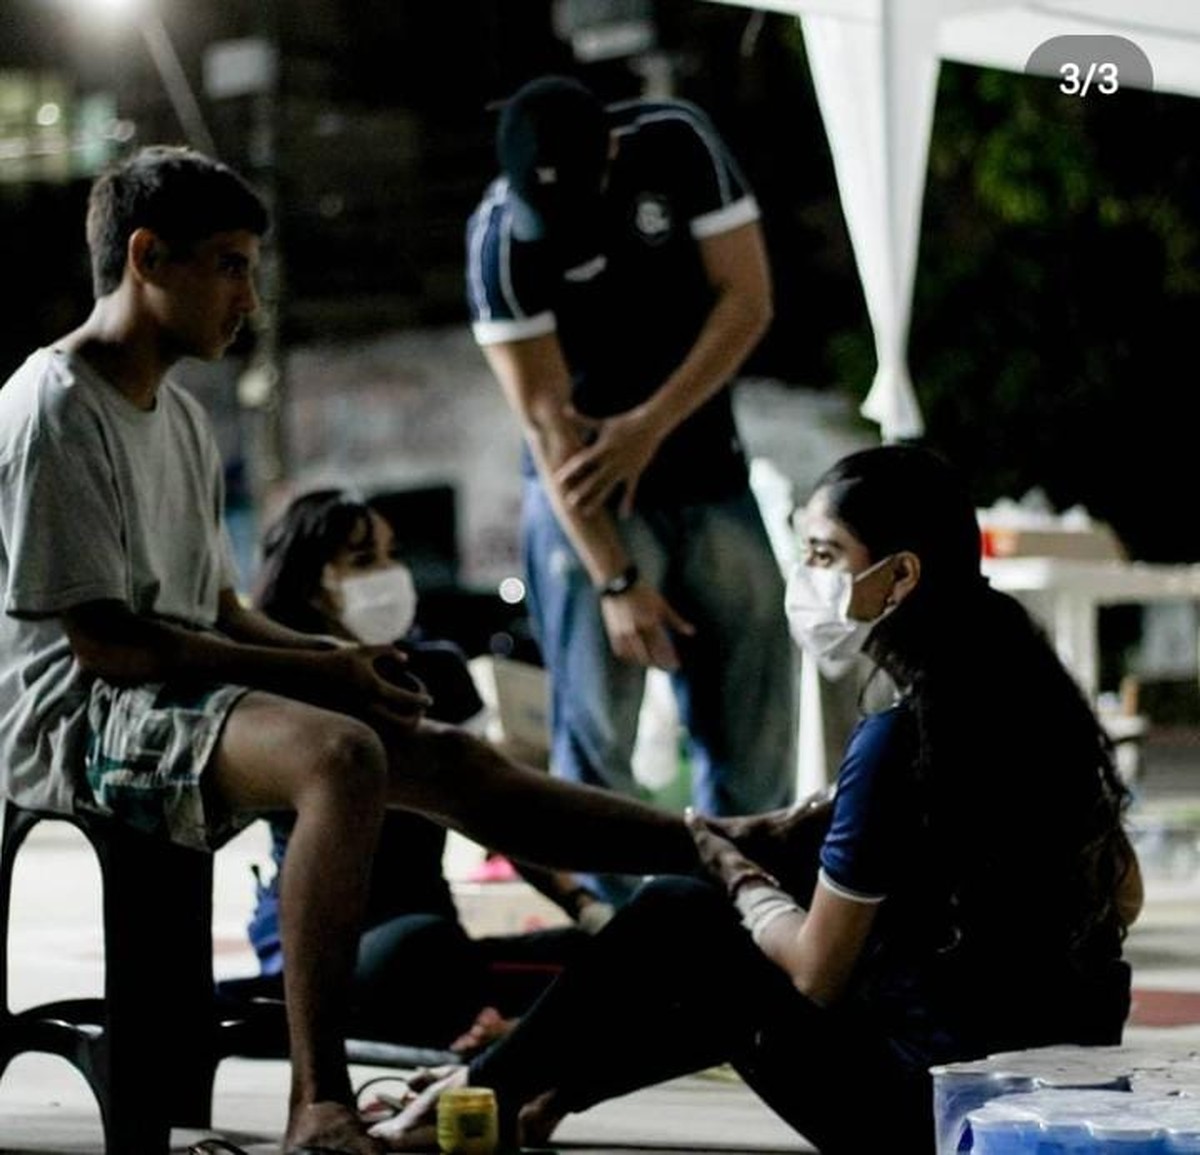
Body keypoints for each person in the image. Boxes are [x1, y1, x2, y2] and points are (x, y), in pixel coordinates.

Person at [0, 145, 699, 1155]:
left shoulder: (184, 419)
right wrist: (317, 676)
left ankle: (715, 843)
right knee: (340, 754)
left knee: (444, 749)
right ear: (149, 257)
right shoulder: (56, 405)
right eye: (231, 264)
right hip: (78, 719)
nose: (249, 295)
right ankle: (317, 1103)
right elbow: (107, 642)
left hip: (173, 693)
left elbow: (224, 613)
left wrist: (349, 664)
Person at [374, 445, 1142, 1155]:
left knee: (684, 914)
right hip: (1057, 1095)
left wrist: (741, 880)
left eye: (823, 555)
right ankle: (536, 1093)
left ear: (901, 576)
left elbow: (812, 974)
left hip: (932, 1119)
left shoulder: (899, 738)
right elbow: (1126, 896)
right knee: (734, 954)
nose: (804, 577)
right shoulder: (1042, 708)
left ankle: (479, 1096)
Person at [465, 75, 796, 901]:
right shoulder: (501, 240)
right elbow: (547, 426)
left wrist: (651, 421)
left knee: (751, 725)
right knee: (597, 737)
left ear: (609, 152)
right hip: (585, 493)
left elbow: (748, 299)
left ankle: (745, 911)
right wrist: (615, 577)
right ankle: (623, 930)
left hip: (707, 468)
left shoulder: (676, 144)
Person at [229, 488, 613, 1053]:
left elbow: (501, 812)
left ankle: (487, 1023)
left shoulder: (437, 672)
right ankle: (489, 1024)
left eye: (391, 555)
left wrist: (585, 906)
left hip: (431, 936)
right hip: (333, 948)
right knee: (421, 953)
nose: (388, 574)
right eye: (363, 561)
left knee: (612, 951)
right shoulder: (288, 680)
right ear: (311, 581)